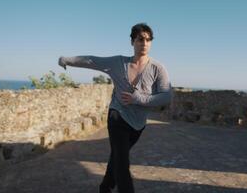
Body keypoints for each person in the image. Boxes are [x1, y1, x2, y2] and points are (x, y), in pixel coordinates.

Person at [58, 23, 172, 193]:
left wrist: (138, 98)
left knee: (118, 157)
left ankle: (105, 187)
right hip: (117, 116)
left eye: (148, 40)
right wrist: (66, 59)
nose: (145, 43)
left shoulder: (158, 68)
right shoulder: (118, 63)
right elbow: (92, 60)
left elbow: (166, 96)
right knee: (122, 163)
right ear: (132, 41)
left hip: (138, 124)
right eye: (141, 39)